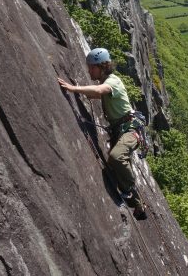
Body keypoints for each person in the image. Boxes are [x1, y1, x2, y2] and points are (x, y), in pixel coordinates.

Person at [58, 48, 147, 220]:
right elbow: (102, 95)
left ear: (101, 66)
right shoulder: (107, 82)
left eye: (92, 67)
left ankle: (129, 191)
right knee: (115, 168)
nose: (89, 70)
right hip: (120, 130)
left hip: (130, 129)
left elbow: (100, 91)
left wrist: (73, 89)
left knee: (116, 156)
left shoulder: (113, 81)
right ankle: (138, 206)